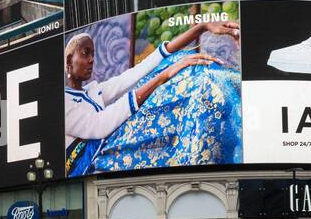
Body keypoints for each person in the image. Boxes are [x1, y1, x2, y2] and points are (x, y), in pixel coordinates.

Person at [63, 22, 235, 175]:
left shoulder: (92, 91)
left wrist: (201, 28)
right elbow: (100, 125)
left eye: (93, 54)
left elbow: (133, 74)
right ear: (70, 60)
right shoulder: (63, 104)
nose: (92, 60)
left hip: (108, 153)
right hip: (88, 171)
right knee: (157, 84)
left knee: (169, 65)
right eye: (86, 54)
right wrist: (164, 76)